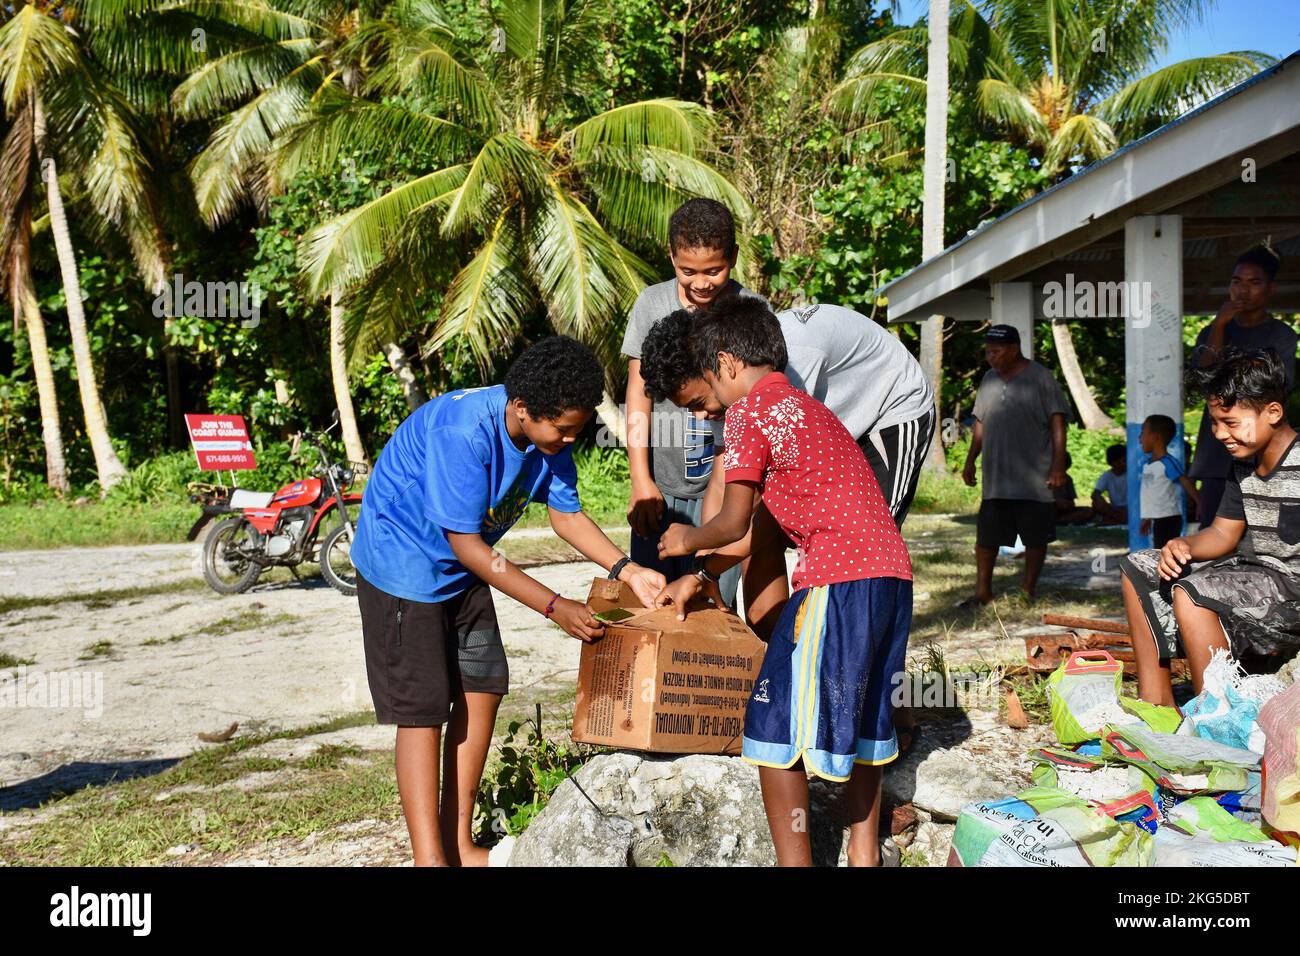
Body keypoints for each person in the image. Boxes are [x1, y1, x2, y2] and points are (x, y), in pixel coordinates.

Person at [351, 337, 666, 866]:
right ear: (522, 409)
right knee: (423, 710)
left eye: (576, 429)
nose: (569, 439)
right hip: (404, 567)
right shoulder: (465, 433)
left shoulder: (551, 443)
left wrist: (626, 569)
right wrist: (554, 605)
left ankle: (456, 842)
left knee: (483, 686)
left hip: (461, 568)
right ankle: (430, 857)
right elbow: (467, 544)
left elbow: (565, 516)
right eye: (562, 428)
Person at [650, 296, 913, 867]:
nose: (709, 410)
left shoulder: (748, 414)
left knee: (772, 727)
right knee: (865, 714)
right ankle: (863, 851)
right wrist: (703, 575)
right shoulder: (809, 411)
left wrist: (685, 540)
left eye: (707, 394)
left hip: (836, 581)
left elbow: (731, 523)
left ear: (723, 364)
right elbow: (755, 536)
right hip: (891, 576)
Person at [1121, 348, 1300, 705]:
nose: (1219, 433)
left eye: (1230, 422)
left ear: (1274, 412)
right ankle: (1157, 704)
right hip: (1260, 574)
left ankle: (1215, 717)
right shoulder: (1243, 466)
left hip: (1293, 588)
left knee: (1193, 593)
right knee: (1138, 566)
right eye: (1215, 423)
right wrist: (1183, 545)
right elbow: (1222, 534)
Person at [621, 198, 760, 606]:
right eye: (688, 271)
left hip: (727, 490)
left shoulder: (749, 313)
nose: (701, 282)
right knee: (652, 598)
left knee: (712, 601)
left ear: (733, 257)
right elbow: (637, 392)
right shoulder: (652, 304)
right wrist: (641, 480)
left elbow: (748, 416)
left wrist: (719, 517)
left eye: (714, 270)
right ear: (671, 256)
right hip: (661, 490)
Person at [1188, 244, 1296, 524]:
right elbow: (1203, 379)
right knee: (1214, 529)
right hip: (1218, 451)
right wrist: (1220, 326)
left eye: (1254, 282)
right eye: (1237, 282)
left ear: (1270, 288)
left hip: (1263, 449)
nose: (1243, 290)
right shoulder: (1211, 331)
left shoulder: (1281, 334)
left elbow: (1279, 385)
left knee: (1266, 531)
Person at [962, 324, 1070, 604]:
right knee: (986, 538)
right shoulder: (988, 379)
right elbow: (981, 422)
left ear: (1013, 349)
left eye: (995, 352)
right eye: (987, 352)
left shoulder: (1040, 377)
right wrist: (970, 459)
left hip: (1034, 478)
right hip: (996, 478)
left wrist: (1058, 464)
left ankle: (1027, 592)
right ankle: (982, 591)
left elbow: (1058, 420)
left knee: (1036, 539)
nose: (990, 357)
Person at [1137, 414, 1200, 548]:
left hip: (1169, 518)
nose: (1140, 439)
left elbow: (1185, 482)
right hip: (1157, 518)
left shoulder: (1168, 462)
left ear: (1155, 437)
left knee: (1165, 552)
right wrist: (1147, 517)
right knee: (1159, 551)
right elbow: (1151, 494)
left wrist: (1199, 503)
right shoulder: (1148, 465)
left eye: (1143, 433)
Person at [1091, 443, 1128, 525]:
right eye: (1124, 461)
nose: (1126, 463)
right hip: (1114, 509)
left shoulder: (1132, 474)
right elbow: (1095, 493)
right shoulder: (1107, 476)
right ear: (1114, 462)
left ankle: (1111, 519)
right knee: (1096, 503)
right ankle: (1115, 518)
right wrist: (1101, 501)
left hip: (1129, 508)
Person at [1054, 452, 1094, 525]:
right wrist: (1056, 502)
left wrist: (1066, 504)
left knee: (1088, 510)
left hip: (1065, 511)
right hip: (1050, 509)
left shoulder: (1068, 479)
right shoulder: (1047, 478)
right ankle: (1060, 520)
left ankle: (1061, 521)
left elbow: (1072, 503)